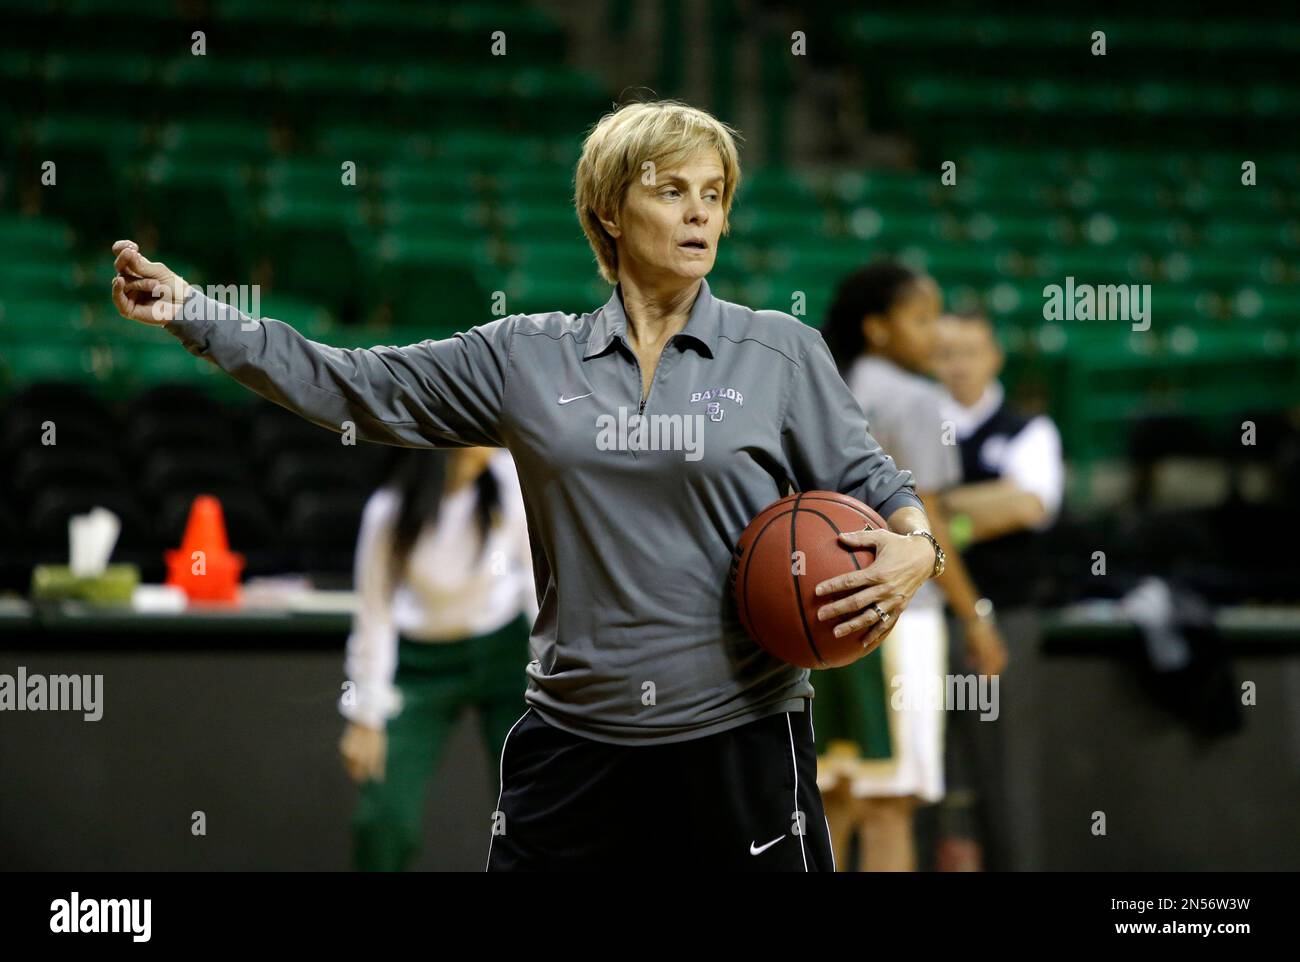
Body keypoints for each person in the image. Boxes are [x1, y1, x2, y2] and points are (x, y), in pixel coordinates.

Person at [110, 99, 945, 872]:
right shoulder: (526, 358)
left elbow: (872, 479)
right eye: (672, 190)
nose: (701, 212)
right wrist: (194, 311)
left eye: (715, 193)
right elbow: (347, 383)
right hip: (575, 746)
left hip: (742, 739)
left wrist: (917, 549)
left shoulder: (781, 351)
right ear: (610, 212)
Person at [817, 261, 1008, 872]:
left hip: (822, 610)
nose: (936, 334)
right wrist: (975, 613)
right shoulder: (918, 400)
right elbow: (930, 520)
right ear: (877, 328)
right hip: (899, 613)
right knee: (890, 803)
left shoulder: (825, 386)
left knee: (832, 798)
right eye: (921, 318)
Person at [339, 446, 536, 871]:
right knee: (384, 819)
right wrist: (364, 716)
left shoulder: (512, 482)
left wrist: (560, 674)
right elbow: (374, 613)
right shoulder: (389, 509)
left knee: (538, 808)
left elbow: (541, 585)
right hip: (419, 666)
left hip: (506, 654)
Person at [934, 310, 1065, 608]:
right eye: (947, 354)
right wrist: (998, 496)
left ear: (994, 357)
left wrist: (944, 510)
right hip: (936, 603)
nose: (959, 366)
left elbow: (1029, 507)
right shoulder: (917, 425)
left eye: (971, 353)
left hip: (1014, 600)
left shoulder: (1032, 429)